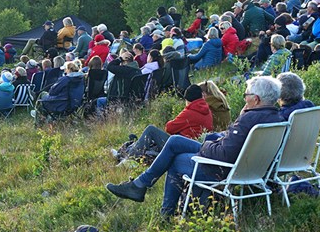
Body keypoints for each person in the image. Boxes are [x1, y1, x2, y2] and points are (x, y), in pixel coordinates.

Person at [105, 76, 285, 217]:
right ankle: (140, 185)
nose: (244, 98)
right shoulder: (277, 119)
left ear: (256, 99)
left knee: (175, 160)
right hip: (252, 168)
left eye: (246, 95)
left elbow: (225, 154)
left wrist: (206, 145)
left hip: (223, 169)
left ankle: (163, 211)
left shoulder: (249, 119)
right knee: (174, 141)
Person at [114, 85, 213, 162]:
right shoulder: (207, 110)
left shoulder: (189, 112)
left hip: (179, 146)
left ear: (187, 100)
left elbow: (169, 128)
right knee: (149, 143)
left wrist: (184, 110)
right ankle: (125, 152)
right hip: (193, 145)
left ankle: (127, 157)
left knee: (151, 130)